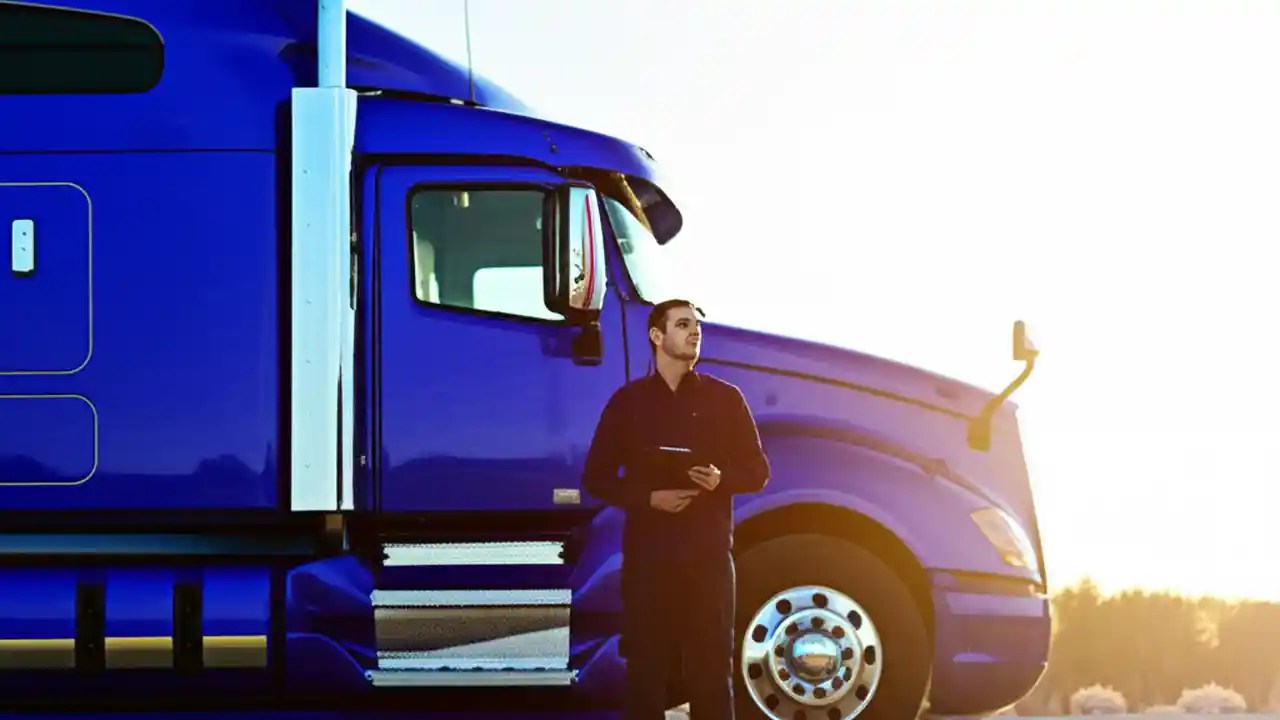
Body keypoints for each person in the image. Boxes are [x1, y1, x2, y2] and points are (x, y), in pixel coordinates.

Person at [581, 298, 771, 720]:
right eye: (683, 324)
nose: (694, 332)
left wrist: (721, 479)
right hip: (648, 562)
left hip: (708, 561)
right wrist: (650, 499)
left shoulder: (726, 399)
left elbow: (758, 471)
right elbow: (596, 477)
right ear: (656, 335)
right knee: (646, 675)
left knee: (710, 675)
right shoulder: (627, 403)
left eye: (696, 326)